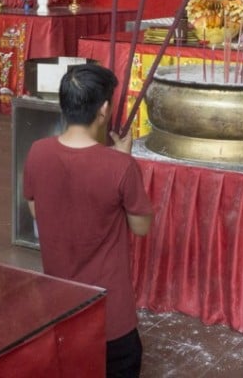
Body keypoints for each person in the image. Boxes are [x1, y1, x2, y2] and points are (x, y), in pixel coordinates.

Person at [23, 64, 153, 378]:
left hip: (61, 307)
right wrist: (122, 159)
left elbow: (35, 210)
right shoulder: (120, 166)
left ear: (63, 104)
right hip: (110, 318)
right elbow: (141, 226)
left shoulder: (37, 152)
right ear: (105, 108)